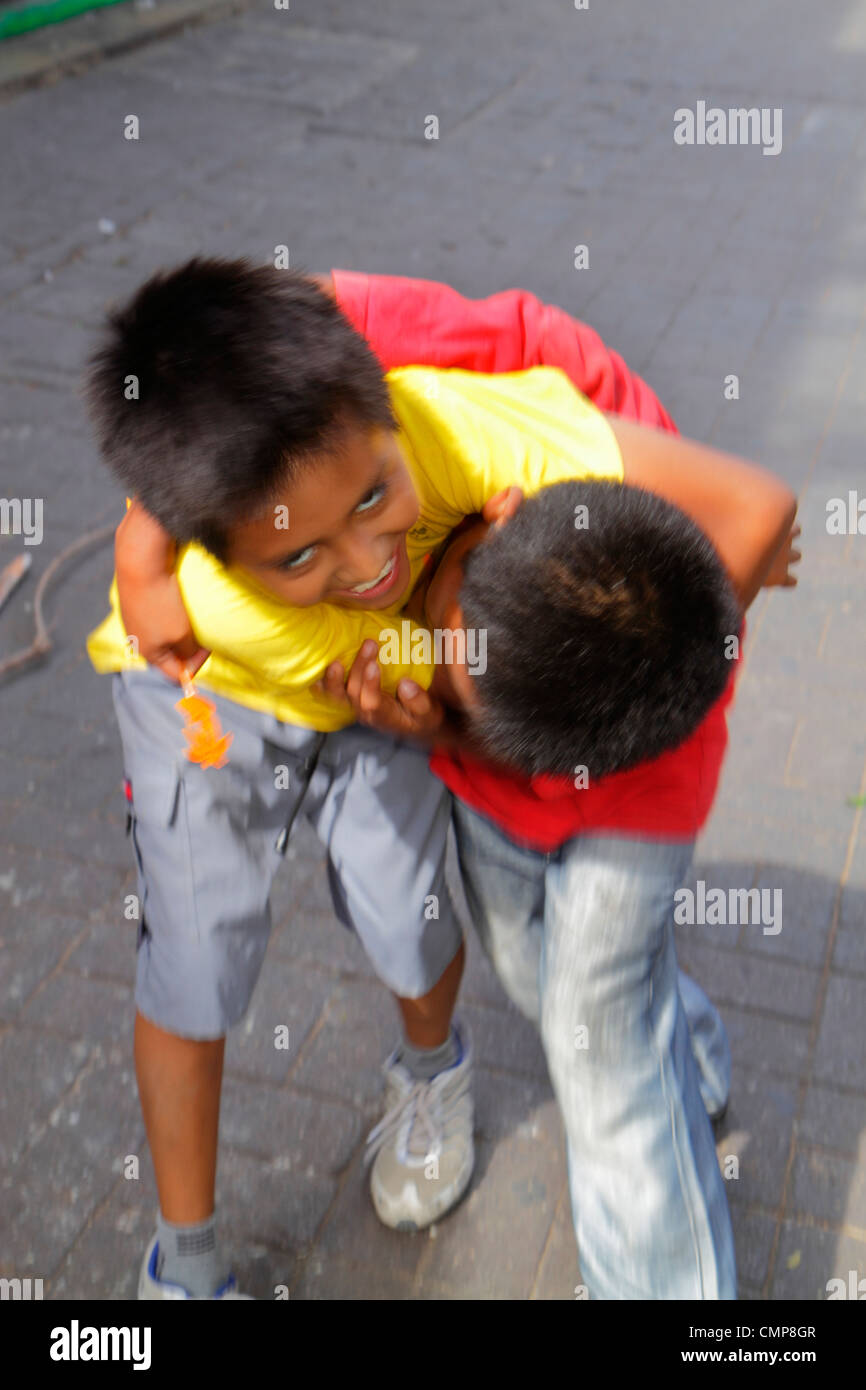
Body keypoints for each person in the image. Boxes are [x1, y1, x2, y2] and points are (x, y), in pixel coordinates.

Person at [90, 262, 798, 1299]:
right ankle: (186, 1261)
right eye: (305, 549)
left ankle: (550, 1138)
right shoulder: (283, 558)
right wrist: (142, 545)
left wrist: (444, 722)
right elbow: (224, 355)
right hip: (266, 692)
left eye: (377, 503)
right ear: (507, 509)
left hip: (505, 723)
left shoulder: (433, 633)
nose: (376, 563)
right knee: (491, 961)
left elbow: (442, 676)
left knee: (542, 998)